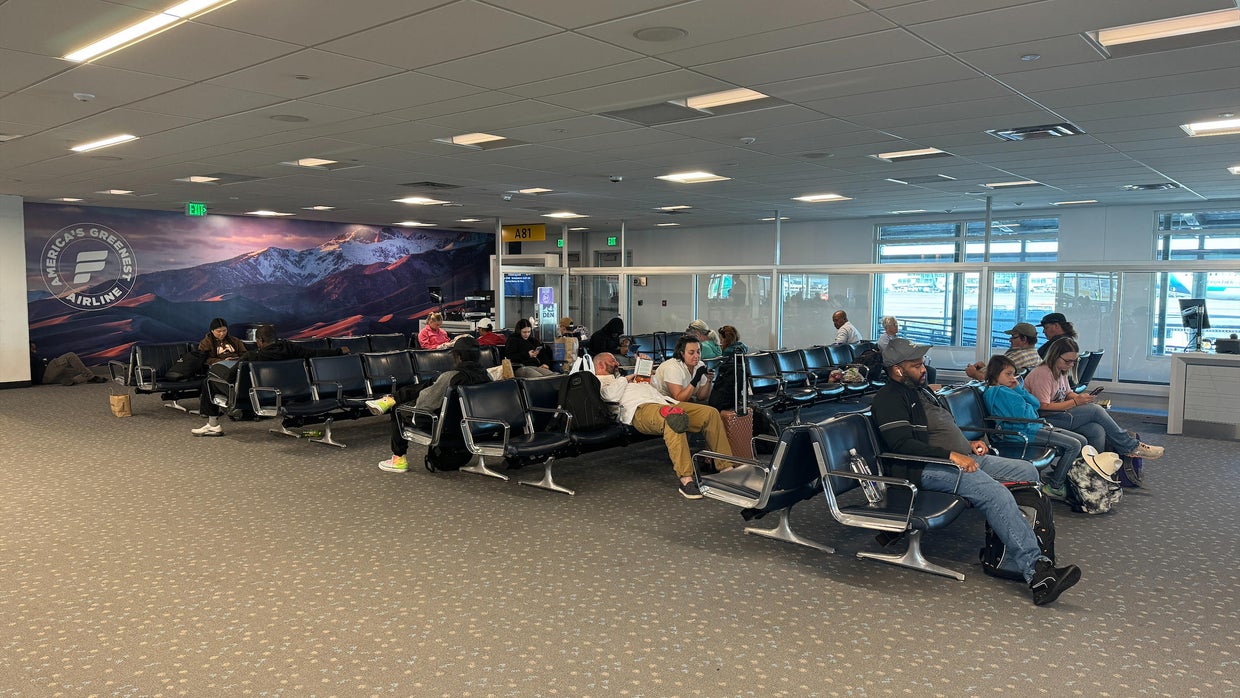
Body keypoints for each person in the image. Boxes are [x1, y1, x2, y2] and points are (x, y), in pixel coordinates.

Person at [870, 338, 1082, 605]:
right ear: (898, 369)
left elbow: (940, 432)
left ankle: (1009, 551)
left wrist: (967, 445)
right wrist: (952, 456)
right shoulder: (889, 399)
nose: (923, 369)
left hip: (954, 457)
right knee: (994, 493)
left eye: (922, 363)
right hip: (921, 468)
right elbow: (901, 445)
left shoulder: (920, 391)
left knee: (1028, 471)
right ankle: (1037, 574)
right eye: (916, 365)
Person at [594, 352, 733, 500]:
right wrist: (628, 378)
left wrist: (646, 372)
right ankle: (686, 480)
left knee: (710, 413)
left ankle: (726, 468)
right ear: (601, 365)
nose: (617, 363)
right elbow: (610, 395)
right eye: (612, 361)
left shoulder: (626, 379)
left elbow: (656, 388)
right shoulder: (600, 381)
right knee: (674, 419)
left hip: (664, 402)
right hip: (640, 409)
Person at [191, 324, 348, 436]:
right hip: (292, 393)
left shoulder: (252, 357)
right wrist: (338, 351)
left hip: (252, 396)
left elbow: (229, 378)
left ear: (260, 340)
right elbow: (315, 354)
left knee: (209, 382)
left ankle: (213, 425)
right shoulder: (291, 349)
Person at [1024, 338, 1165, 460]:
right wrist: (1075, 402)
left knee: (1096, 430)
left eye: (1074, 361)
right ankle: (1130, 446)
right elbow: (1043, 407)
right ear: (1055, 356)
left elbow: (1067, 393)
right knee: (1095, 411)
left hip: (1059, 415)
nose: (1071, 365)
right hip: (1044, 420)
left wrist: (1080, 398)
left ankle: (1090, 472)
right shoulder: (1043, 374)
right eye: (1068, 361)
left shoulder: (1060, 370)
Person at [371, 336, 491, 473]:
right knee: (432, 382)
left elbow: (425, 403)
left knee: (397, 409)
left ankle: (398, 459)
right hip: (470, 424)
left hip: (440, 423)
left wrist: (414, 403)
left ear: (458, 356)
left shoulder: (451, 377)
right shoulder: (486, 376)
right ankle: (392, 398)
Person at [982, 355, 1094, 501]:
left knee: (1082, 440)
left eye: (1013, 374)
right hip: (1022, 432)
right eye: (1008, 374)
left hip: (1033, 426)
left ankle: (1065, 479)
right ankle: (1054, 486)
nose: (1012, 378)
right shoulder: (999, 393)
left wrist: (1019, 390)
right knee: (1074, 445)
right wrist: (1028, 405)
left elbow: (1034, 404)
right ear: (995, 373)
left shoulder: (1009, 390)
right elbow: (1026, 414)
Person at [965, 322, 1042, 381]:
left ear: (1024, 339)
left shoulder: (1017, 356)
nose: (1010, 340)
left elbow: (989, 380)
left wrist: (974, 373)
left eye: (1013, 337)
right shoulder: (1036, 355)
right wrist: (985, 368)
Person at [653, 335, 713, 403]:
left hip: (686, 401)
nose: (697, 356)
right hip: (662, 402)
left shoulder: (700, 365)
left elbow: (701, 397)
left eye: (698, 352)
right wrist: (696, 379)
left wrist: (709, 380)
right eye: (691, 353)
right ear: (682, 354)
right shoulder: (672, 367)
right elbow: (679, 399)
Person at [30, 342, 106, 385]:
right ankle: (90, 377)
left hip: (45, 377)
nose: (35, 351)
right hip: (45, 372)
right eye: (33, 349)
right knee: (70, 356)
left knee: (80, 371)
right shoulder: (29, 356)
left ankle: (73, 380)